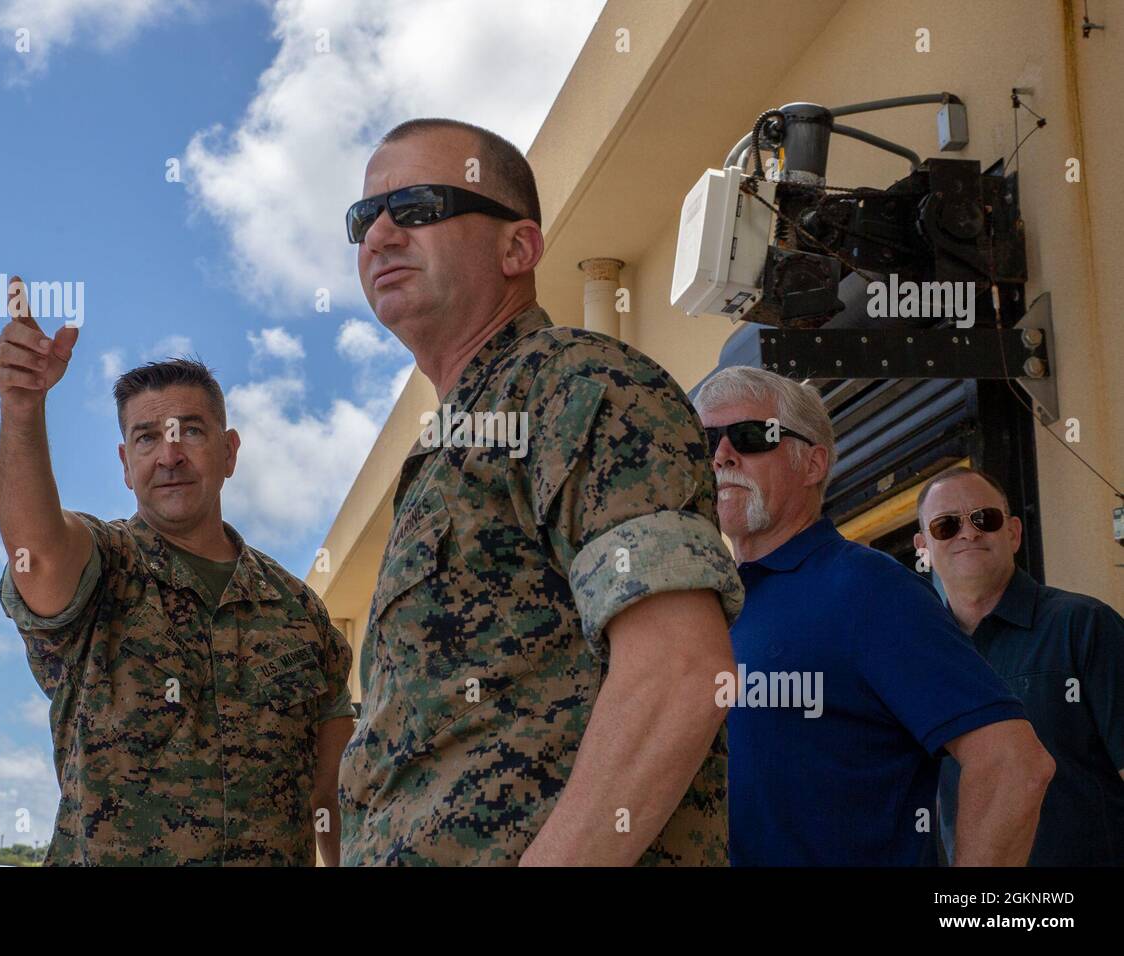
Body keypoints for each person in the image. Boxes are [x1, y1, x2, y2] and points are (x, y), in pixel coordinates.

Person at [338, 118, 745, 866]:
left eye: (422, 206)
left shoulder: (577, 384)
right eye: (365, 218)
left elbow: (683, 674)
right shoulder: (445, 449)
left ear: (517, 247)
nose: (382, 235)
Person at [0, 279, 355, 865]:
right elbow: (36, 547)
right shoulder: (104, 568)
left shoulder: (300, 613)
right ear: (124, 465)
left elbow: (330, 795)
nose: (170, 454)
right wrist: (22, 407)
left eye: (190, 430)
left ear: (229, 451)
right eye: (146, 438)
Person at [692, 365, 1054, 865]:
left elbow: (1014, 763)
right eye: (706, 440)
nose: (721, 455)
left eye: (753, 436)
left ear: (812, 462)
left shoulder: (867, 588)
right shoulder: (710, 603)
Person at [915, 466, 1124, 865]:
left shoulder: (1083, 626)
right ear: (923, 547)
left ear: (1013, 532)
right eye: (946, 525)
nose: (969, 533)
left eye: (985, 519)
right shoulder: (921, 657)